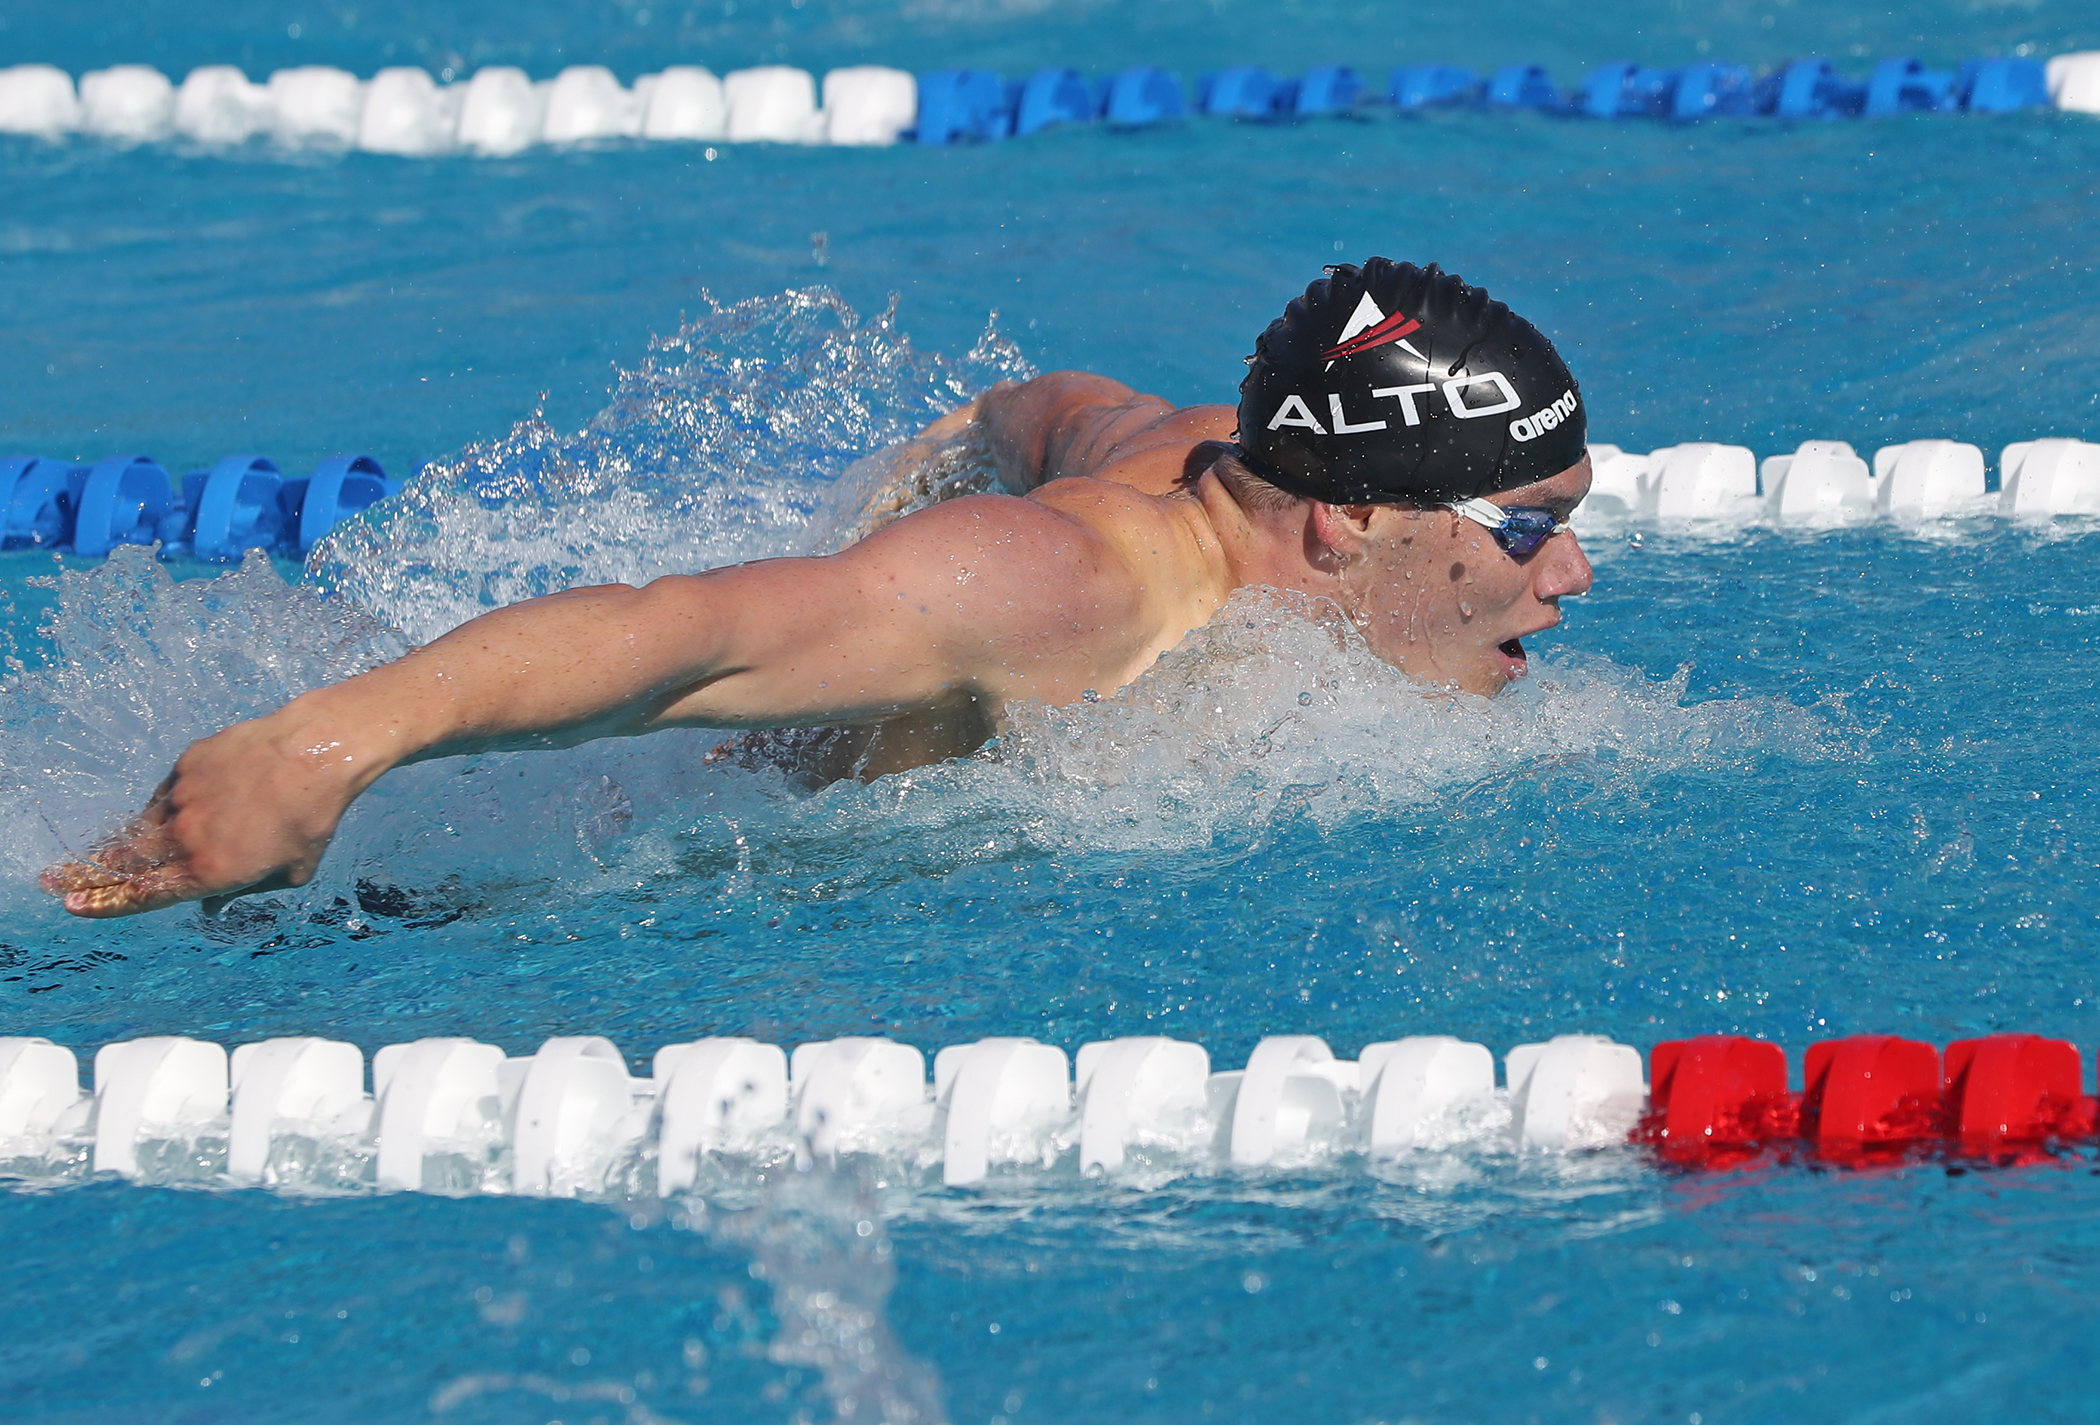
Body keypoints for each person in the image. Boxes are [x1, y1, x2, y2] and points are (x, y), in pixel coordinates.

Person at [44, 258, 1595, 919]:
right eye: (1528, 529)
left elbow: (1039, 407)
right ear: (1347, 524)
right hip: (639, 859)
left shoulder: (1208, 449)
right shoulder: (1062, 594)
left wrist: (900, 479)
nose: (1574, 574)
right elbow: (680, 635)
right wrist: (324, 746)